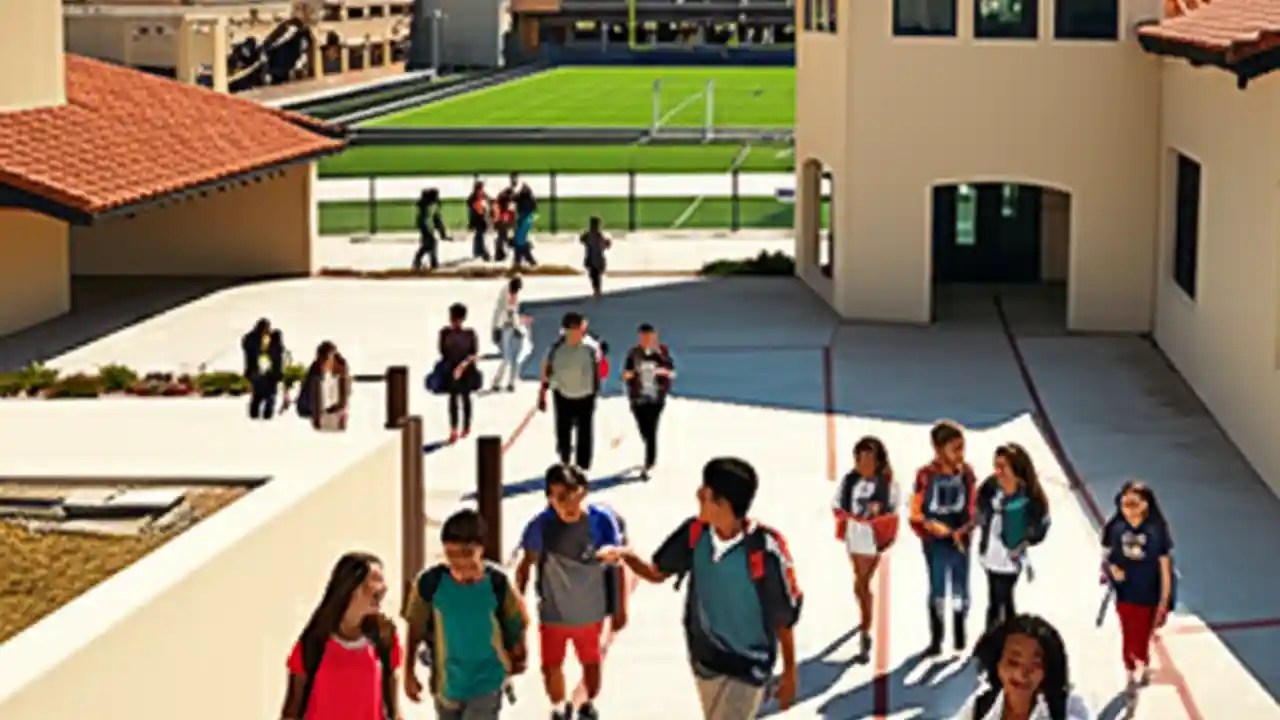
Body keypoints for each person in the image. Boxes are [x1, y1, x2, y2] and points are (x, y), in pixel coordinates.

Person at [597, 458, 802, 719]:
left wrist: (790, 674)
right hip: (705, 659)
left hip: (750, 665)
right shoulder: (694, 534)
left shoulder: (765, 552)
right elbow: (657, 572)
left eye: (705, 492)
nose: (698, 495)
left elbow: (784, 618)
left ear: (724, 504)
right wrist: (625, 554)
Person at [515, 465, 627, 720]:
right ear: (549, 498)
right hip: (553, 611)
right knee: (551, 665)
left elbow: (617, 564)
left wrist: (620, 608)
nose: (567, 504)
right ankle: (558, 707)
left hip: (591, 610)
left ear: (584, 491)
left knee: (591, 661)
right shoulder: (541, 527)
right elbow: (525, 565)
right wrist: (517, 606)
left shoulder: (601, 521)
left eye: (571, 494)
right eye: (558, 497)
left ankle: (587, 701)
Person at [403, 509, 528, 720]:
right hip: (447, 684)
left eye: (466, 554)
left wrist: (520, 652)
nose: (460, 562)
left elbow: (516, 621)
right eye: (451, 555)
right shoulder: (430, 583)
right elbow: (415, 627)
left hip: (488, 680)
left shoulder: (497, 582)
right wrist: (408, 673)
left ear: (481, 548)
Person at [280, 552, 401, 720]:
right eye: (376, 579)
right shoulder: (312, 644)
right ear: (351, 587)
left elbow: (394, 710)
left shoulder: (385, 636)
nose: (384, 587)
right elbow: (291, 713)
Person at [909, 420, 979, 656]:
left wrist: (965, 529)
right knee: (937, 587)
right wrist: (929, 525)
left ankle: (959, 634)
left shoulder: (967, 474)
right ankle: (936, 638)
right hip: (936, 541)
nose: (960, 454)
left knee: (961, 588)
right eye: (955, 448)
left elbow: (972, 506)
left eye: (962, 448)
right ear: (938, 450)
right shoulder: (926, 476)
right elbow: (916, 508)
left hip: (959, 538)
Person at [1102, 480, 1174, 699]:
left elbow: (1164, 567)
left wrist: (1164, 599)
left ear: (1145, 505)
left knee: (1141, 638)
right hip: (1125, 594)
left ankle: (1142, 663)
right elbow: (1108, 555)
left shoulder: (1156, 531)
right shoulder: (1116, 528)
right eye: (1125, 503)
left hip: (1148, 596)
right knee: (1127, 634)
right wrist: (1112, 569)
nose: (1129, 508)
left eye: (1134, 503)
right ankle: (1130, 673)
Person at [831, 436, 900, 658]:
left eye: (869, 458)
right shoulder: (850, 480)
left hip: (872, 539)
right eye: (860, 458)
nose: (864, 463)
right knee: (859, 581)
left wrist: (878, 515)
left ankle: (865, 631)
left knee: (862, 583)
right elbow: (836, 503)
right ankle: (864, 619)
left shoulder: (886, 482)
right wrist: (846, 515)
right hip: (854, 536)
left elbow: (894, 507)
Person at [954, 614, 1092, 720]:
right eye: (1013, 662)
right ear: (997, 663)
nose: (1022, 674)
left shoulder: (1068, 711)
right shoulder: (977, 709)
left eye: (1035, 664)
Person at [975, 443, 1051, 634]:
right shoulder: (991, 487)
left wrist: (1025, 540)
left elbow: (1041, 526)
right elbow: (978, 507)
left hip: (1010, 556)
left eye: (1003, 467)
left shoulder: (1028, 495)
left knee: (1001, 599)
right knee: (997, 598)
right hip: (990, 552)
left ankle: (998, 639)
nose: (998, 472)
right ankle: (1001, 638)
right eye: (996, 466)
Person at [538, 312, 601, 471]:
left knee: (584, 432)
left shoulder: (591, 347)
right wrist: (542, 394)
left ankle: (582, 466)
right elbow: (546, 370)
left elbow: (601, 368)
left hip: (585, 395)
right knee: (563, 430)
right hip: (563, 395)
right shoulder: (556, 349)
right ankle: (565, 459)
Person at [622, 323, 675, 479]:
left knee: (651, 429)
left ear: (654, 336)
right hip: (638, 398)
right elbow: (626, 374)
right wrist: (632, 374)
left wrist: (660, 371)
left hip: (656, 398)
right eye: (643, 337)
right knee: (644, 429)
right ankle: (650, 451)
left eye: (649, 336)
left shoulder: (662, 353)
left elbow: (671, 373)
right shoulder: (634, 354)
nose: (646, 339)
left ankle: (649, 463)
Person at [440, 303, 480, 443]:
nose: (454, 321)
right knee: (453, 400)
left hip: (465, 370)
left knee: (465, 398)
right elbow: (443, 352)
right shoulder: (445, 333)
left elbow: (473, 354)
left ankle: (466, 426)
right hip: (452, 370)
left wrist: (462, 366)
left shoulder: (469, 334)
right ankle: (454, 429)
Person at [298, 341, 351, 432]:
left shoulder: (337, 370)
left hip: (325, 413)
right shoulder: (316, 374)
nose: (331, 362)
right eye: (330, 358)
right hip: (311, 412)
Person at [491, 277, 531, 392]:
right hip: (506, 329)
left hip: (515, 328)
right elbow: (501, 312)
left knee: (516, 357)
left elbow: (515, 313)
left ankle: (511, 383)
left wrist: (519, 328)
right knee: (506, 358)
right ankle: (496, 382)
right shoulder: (504, 296)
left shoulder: (515, 297)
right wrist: (496, 329)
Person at [242, 318, 284, 420]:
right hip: (260, 372)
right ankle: (260, 415)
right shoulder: (254, 340)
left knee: (264, 395)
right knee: (262, 395)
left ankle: (262, 415)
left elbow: (278, 354)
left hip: (267, 372)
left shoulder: (271, 339)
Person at [413, 188, 449, 271]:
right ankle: (421, 261)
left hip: (428, 227)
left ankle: (432, 262)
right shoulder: (427, 206)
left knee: (431, 244)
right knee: (429, 244)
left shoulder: (432, 205)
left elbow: (437, 219)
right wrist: (441, 232)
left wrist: (442, 233)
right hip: (426, 227)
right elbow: (432, 219)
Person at [580, 216, 612, 299]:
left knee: (595, 275)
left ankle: (597, 291)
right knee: (594, 275)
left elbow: (603, 245)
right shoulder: (592, 235)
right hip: (593, 258)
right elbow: (583, 240)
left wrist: (606, 243)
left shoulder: (596, 235)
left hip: (595, 259)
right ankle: (596, 290)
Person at [492, 174, 519, 263]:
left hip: (503, 218)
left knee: (505, 234)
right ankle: (500, 252)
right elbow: (510, 208)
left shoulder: (505, 196)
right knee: (505, 233)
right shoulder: (509, 196)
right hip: (504, 218)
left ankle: (500, 252)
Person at [512, 184, 538, 269]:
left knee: (519, 241)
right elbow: (535, 211)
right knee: (519, 240)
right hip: (526, 219)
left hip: (524, 220)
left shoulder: (522, 198)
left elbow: (514, 198)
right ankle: (523, 260)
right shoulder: (530, 199)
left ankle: (523, 260)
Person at [467, 180, 492, 262]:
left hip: (482, 218)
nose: (481, 190)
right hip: (478, 219)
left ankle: (478, 252)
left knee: (479, 235)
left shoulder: (481, 195)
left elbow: (488, 201)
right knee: (480, 236)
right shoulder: (474, 198)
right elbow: (474, 210)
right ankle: (483, 253)